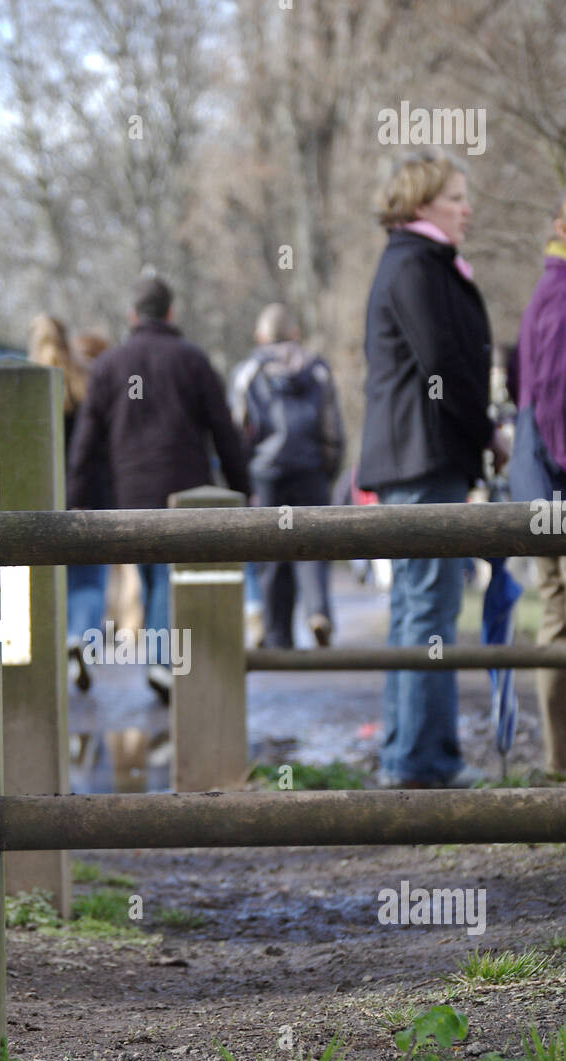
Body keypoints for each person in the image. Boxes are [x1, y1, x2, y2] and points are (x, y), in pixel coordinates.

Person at [358, 149, 509, 789]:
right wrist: (490, 435)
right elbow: (442, 371)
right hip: (424, 460)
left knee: (418, 612)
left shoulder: (418, 262)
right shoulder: (416, 265)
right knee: (427, 612)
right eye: (455, 197)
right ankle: (421, 764)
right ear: (421, 204)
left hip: (421, 457)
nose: (467, 207)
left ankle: (411, 755)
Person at [68, 273, 248, 699]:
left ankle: (161, 657)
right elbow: (224, 429)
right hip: (186, 490)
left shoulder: (110, 365)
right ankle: (164, 661)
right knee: (166, 575)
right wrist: (243, 486)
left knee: (152, 575)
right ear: (171, 312)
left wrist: (75, 499)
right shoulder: (193, 360)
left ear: (132, 314)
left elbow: (88, 440)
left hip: (130, 491)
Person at [230, 303, 345, 647]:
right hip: (310, 468)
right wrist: (329, 468)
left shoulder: (247, 371)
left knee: (270, 552)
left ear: (260, 335)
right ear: (295, 333)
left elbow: (237, 428)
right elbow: (332, 427)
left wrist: (242, 478)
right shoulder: (318, 369)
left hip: (265, 473)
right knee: (315, 544)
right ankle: (318, 612)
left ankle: (278, 634)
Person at [509, 194, 566, 773]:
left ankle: (559, 763)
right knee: (558, 616)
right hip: (555, 488)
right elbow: (552, 397)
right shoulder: (559, 293)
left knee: (556, 615)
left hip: (542, 481)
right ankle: (559, 762)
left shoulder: (549, 290)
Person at [26, 315, 101, 690]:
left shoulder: (24, 387)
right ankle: (82, 639)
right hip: (86, 496)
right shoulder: (85, 381)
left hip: (39, 499)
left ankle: (45, 655)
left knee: (43, 580)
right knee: (88, 578)